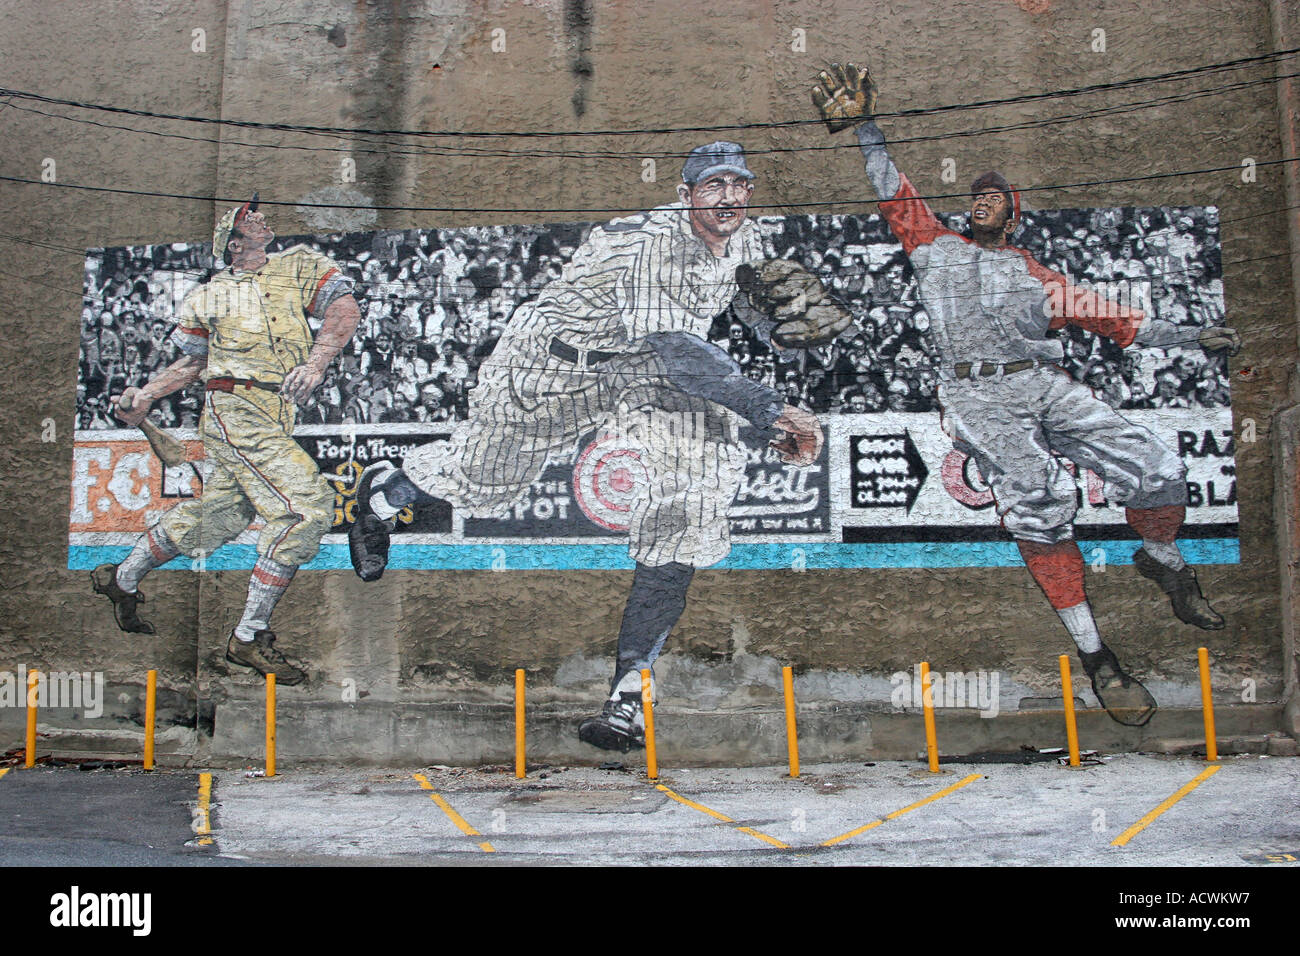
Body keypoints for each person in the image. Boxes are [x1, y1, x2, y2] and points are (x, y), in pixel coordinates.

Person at [348, 143, 827, 751]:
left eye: (738, 184)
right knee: (483, 482)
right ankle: (384, 494)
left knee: (690, 501)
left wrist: (775, 327)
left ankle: (629, 690)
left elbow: (733, 303)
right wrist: (766, 408)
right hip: (556, 363)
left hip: (642, 368)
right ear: (686, 196)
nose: (728, 196)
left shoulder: (747, 240)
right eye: (713, 186)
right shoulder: (651, 243)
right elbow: (685, 355)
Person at [812, 64, 1241, 726]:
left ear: (1012, 214)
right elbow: (893, 189)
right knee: (1044, 498)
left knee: (1158, 468)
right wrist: (866, 127)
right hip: (975, 393)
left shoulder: (1035, 275)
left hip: (1039, 382)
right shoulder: (935, 248)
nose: (981, 199)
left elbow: (1120, 320)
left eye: (994, 196)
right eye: (976, 195)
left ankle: (1162, 560)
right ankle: (1099, 659)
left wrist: (1196, 334)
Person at [91, 196, 362, 685]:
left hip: (277, 408)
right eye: (246, 217)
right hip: (232, 404)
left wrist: (316, 362)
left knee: (220, 516)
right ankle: (248, 635)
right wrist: (147, 394)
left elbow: (344, 308)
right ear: (233, 244)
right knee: (307, 509)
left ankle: (122, 577)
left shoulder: (299, 264)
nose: (258, 215)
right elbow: (193, 363)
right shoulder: (209, 293)